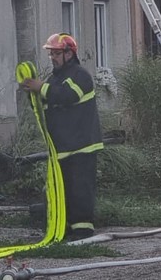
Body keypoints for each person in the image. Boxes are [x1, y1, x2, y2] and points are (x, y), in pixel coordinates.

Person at [21, 33, 103, 240]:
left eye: (56, 53)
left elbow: (67, 96)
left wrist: (41, 88)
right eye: (51, 53)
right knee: (62, 190)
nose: (53, 57)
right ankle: (64, 228)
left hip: (82, 146)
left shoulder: (80, 75)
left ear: (69, 53)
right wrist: (33, 94)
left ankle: (83, 230)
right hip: (62, 147)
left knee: (80, 189)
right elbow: (46, 106)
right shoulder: (54, 79)